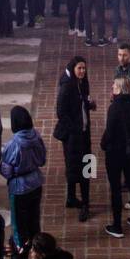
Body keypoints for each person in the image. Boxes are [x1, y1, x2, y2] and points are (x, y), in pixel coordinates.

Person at [101, 77, 130, 237]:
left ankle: (117, 226)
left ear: (119, 89)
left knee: (116, 188)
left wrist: (103, 144)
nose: (112, 86)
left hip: (115, 152)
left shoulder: (114, 107)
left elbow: (110, 131)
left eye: (114, 85)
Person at [0, 105, 47, 253]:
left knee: (19, 228)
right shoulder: (36, 137)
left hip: (19, 188)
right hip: (36, 183)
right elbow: (42, 160)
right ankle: (38, 252)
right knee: (34, 220)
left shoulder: (13, 145)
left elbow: (6, 171)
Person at [54, 56, 95, 220]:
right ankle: (82, 203)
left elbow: (82, 100)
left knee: (87, 165)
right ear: (73, 68)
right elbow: (61, 112)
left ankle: (74, 198)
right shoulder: (67, 86)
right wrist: (74, 130)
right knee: (76, 167)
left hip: (84, 132)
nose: (82, 71)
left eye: (84, 68)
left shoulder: (82, 83)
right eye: (79, 68)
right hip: (74, 136)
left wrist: (89, 104)